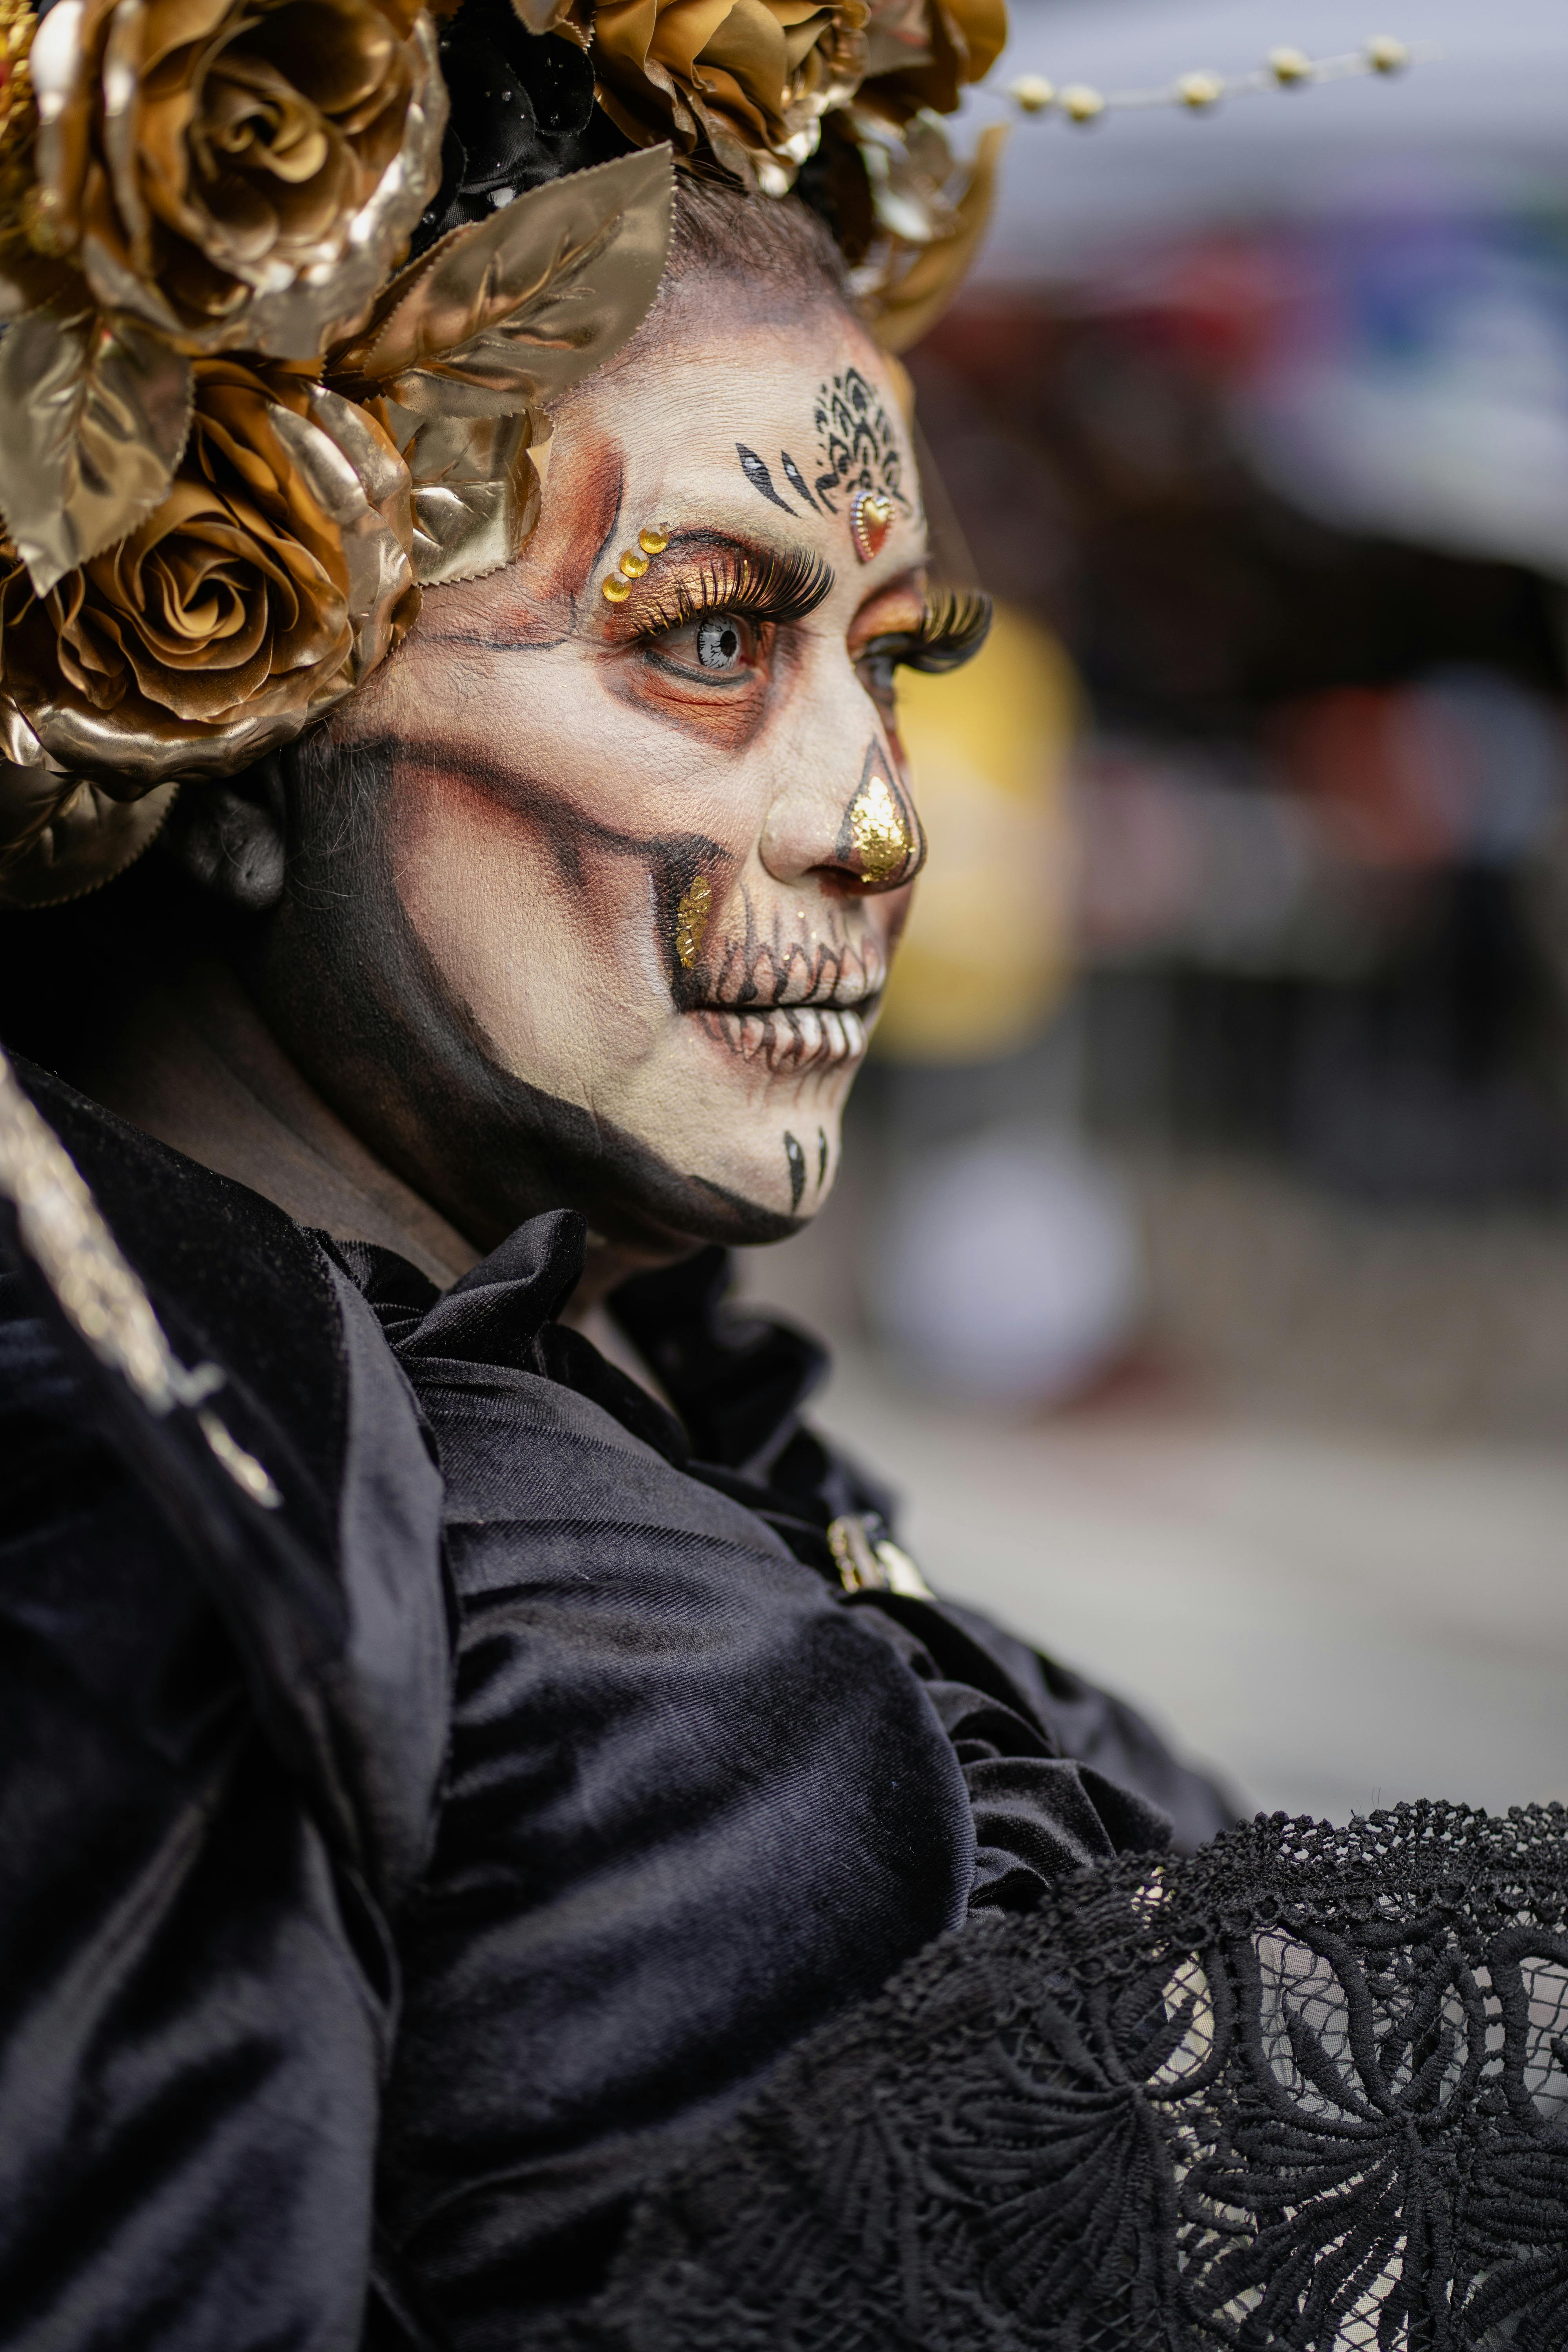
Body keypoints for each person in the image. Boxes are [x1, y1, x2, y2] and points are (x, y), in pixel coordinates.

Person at [3, 5, 1565, 2349]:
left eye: (895, 659)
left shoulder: (609, 1388)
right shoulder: (173, 1545)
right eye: (709, 638)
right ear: (235, 704)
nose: (882, 820)